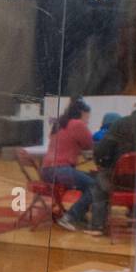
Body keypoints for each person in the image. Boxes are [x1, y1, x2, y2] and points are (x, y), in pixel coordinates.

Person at [39, 98, 107, 234]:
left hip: (47, 170)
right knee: (96, 186)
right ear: (82, 113)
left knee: (86, 183)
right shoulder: (77, 124)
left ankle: (79, 216)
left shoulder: (60, 123)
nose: (87, 121)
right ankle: (70, 216)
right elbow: (89, 144)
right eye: (87, 117)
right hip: (61, 170)